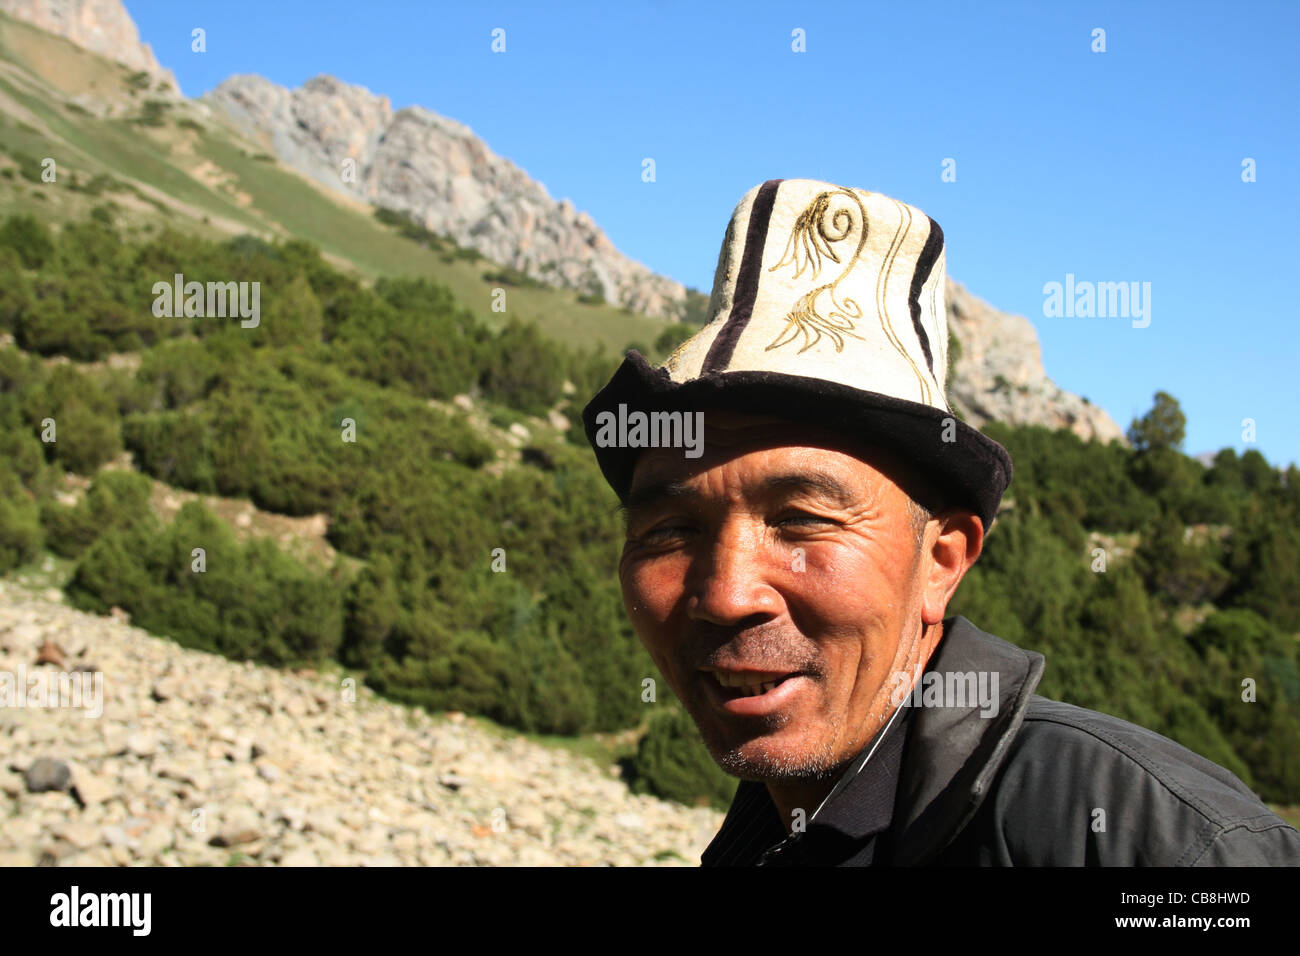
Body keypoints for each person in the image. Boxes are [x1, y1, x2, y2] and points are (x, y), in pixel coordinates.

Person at [581, 178, 1300, 866]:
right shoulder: (767, 834)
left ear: (942, 561)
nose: (728, 595)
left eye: (801, 520)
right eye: (670, 531)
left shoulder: (1154, 843)